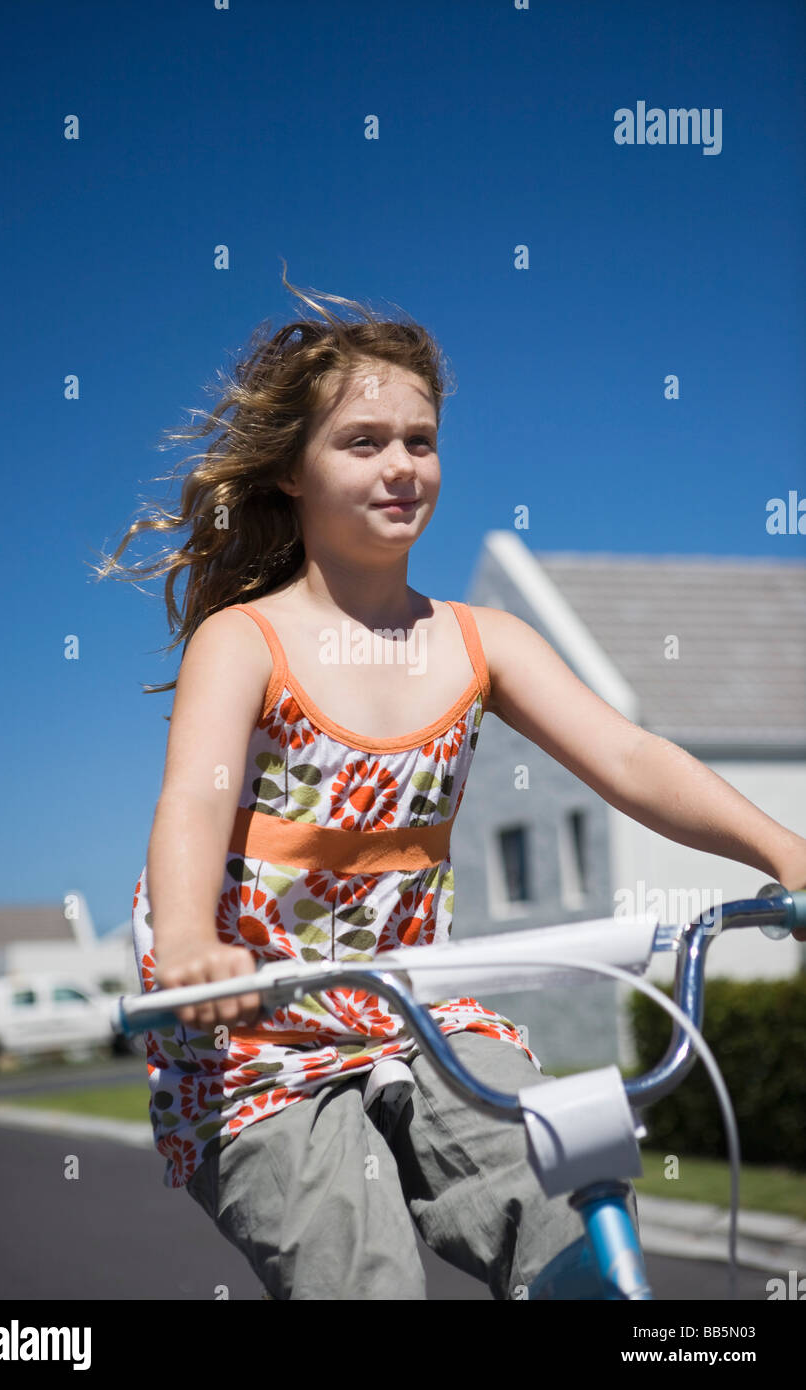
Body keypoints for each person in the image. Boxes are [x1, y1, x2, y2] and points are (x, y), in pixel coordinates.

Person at [97, 263, 806, 1301]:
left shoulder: (482, 641)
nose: (400, 467)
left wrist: (781, 852)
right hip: (253, 1034)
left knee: (574, 1197)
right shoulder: (243, 641)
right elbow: (193, 801)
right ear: (292, 470)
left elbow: (628, 758)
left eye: (418, 442)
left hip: (413, 1012)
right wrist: (196, 948)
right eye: (362, 442)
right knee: (361, 1267)